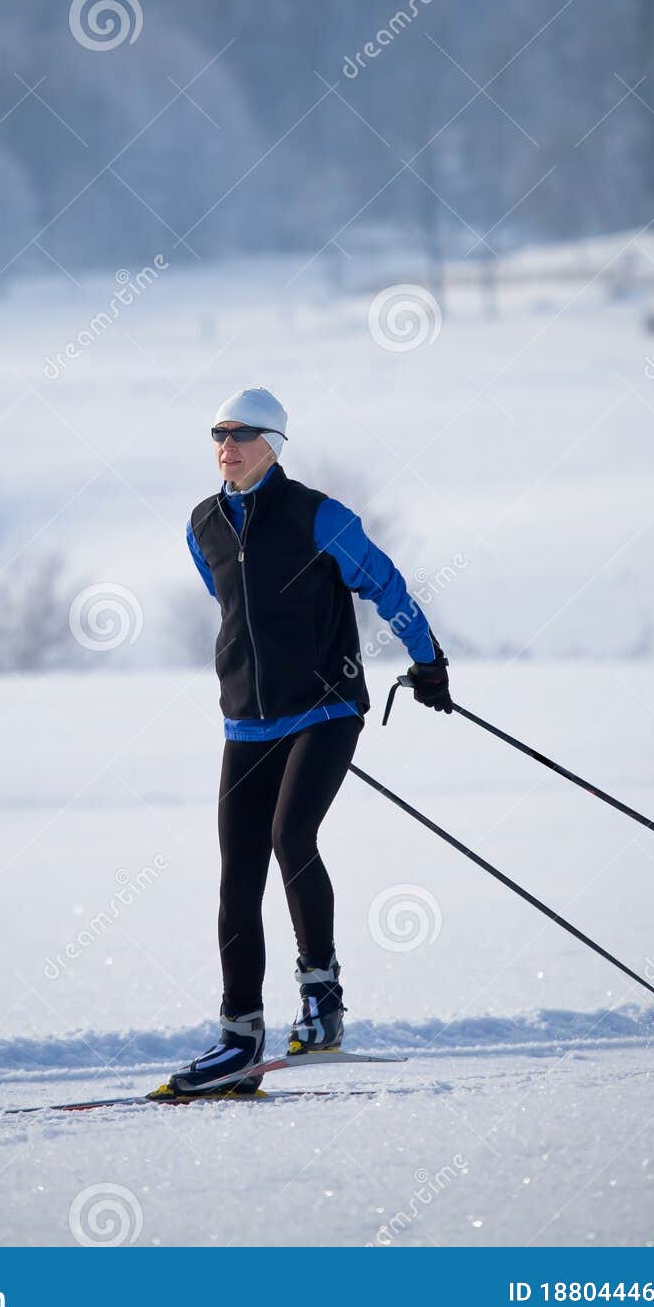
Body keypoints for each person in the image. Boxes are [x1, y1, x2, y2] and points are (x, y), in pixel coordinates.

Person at [165, 386, 452, 1096]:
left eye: (242, 435)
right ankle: (239, 1036)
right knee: (237, 869)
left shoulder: (316, 515)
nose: (227, 447)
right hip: (246, 718)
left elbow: (384, 583)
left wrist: (426, 660)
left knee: (291, 835)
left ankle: (321, 1003)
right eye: (218, 435)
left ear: (274, 445)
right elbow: (230, 605)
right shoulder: (202, 524)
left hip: (325, 709)